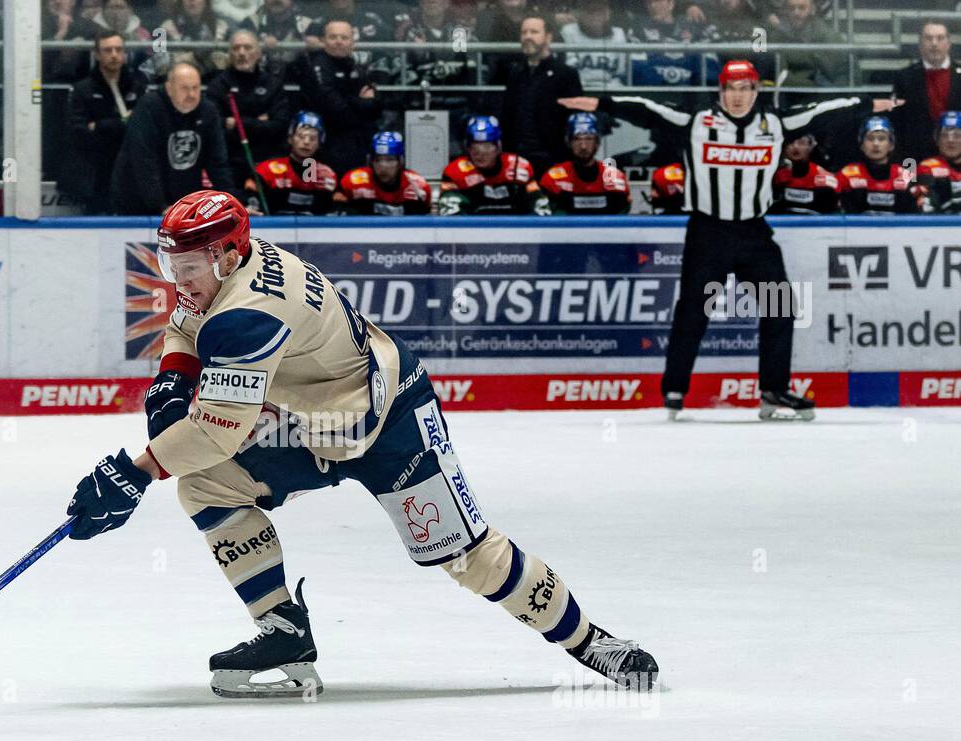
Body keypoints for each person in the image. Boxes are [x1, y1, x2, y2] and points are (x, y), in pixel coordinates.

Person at [63, 190, 660, 697]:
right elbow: (187, 327)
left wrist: (134, 472)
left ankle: (592, 642)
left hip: (391, 416)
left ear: (226, 255)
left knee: (465, 555)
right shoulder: (228, 274)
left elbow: (222, 427)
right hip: (314, 422)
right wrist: (172, 381)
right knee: (207, 482)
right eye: (172, 265)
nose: (176, 281)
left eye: (186, 267)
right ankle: (281, 627)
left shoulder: (248, 313)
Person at [561, 60, 901, 421]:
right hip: (709, 232)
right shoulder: (696, 122)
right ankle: (675, 389)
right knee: (693, 311)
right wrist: (600, 103)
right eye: (731, 89)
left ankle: (773, 390)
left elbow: (824, 112)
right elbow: (646, 107)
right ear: (720, 91)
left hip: (754, 233)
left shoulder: (775, 124)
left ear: (756, 91)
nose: (738, 97)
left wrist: (869, 103)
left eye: (745, 89)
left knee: (780, 306)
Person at [111, 63, 237, 215]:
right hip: (136, 204)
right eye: (184, 88)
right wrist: (160, 206)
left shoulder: (208, 111)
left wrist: (232, 204)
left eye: (195, 88)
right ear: (169, 89)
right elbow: (143, 160)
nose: (191, 94)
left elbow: (218, 164)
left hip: (181, 203)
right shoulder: (149, 107)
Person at [63, 29, 147, 214]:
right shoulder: (82, 89)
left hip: (129, 173)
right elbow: (79, 133)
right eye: (108, 50)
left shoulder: (138, 86)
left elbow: (142, 128)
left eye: (118, 49)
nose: (114, 55)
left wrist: (100, 125)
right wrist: (124, 122)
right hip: (95, 174)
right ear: (97, 54)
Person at [206, 29, 294, 188]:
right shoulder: (218, 85)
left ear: (259, 53)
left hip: (267, 162)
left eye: (247, 48)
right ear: (229, 53)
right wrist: (259, 122)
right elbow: (213, 125)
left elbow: (279, 126)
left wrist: (237, 122)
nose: (241, 53)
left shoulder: (272, 84)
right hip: (230, 161)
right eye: (236, 48)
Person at [498, 16, 583, 177]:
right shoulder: (515, 73)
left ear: (548, 37)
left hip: (554, 163)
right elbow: (507, 118)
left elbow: (575, 120)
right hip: (518, 162)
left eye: (534, 32)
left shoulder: (566, 74)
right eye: (524, 32)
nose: (527, 37)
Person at [299, 20, 381, 178]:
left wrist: (352, 102)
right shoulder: (318, 67)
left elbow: (377, 106)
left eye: (344, 37)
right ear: (323, 41)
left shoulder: (354, 66)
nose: (339, 41)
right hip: (323, 145)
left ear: (352, 42)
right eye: (333, 37)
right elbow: (336, 111)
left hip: (354, 144)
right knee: (321, 193)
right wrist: (360, 102)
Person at [891, 21, 961, 166]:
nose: (934, 43)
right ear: (920, 45)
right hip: (915, 157)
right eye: (928, 38)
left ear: (949, 44)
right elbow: (899, 127)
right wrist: (908, 176)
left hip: (958, 160)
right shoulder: (904, 78)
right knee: (913, 189)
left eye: (940, 38)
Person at [437, 116, 535, 215]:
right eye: (475, 147)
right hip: (472, 228)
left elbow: (539, 208)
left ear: (498, 147)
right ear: (467, 148)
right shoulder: (454, 172)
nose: (481, 153)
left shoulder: (520, 167)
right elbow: (452, 218)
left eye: (487, 147)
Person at [244, 111, 338, 214]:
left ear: (320, 142)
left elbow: (329, 213)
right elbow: (251, 203)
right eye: (301, 136)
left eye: (313, 138)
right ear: (290, 138)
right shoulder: (267, 171)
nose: (306, 142)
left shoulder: (327, 176)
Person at [539, 112, 631, 214]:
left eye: (588, 139)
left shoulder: (614, 177)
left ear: (597, 142)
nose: (583, 146)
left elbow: (620, 222)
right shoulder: (553, 178)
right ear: (568, 141)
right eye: (577, 139)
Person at [836, 117, 918, 216]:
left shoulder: (906, 176)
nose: (876, 144)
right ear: (861, 144)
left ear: (891, 145)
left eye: (882, 138)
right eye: (870, 138)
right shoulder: (846, 175)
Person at [336, 132, 433, 215]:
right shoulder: (352, 182)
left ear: (401, 162)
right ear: (370, 162)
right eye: (377, 160)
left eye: (390, 160)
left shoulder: (418, 187)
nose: (383, 166)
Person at [559, 0, 629, 91]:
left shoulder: (618, 34)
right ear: (580, 13)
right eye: (590, 11)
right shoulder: (569, 31)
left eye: (599, 10)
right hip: (579, 89)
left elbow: (620, 72)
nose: (595, 15)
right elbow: (568, 70)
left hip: (611, 88)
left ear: (608, 13)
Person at [159, 0, 233, 80]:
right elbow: (155, 65)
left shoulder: (222, 27)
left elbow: (232, 62)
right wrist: (189, 58)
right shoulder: (164, 29)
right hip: (178, 83)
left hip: (213, 84)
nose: (192, 1)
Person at [770, 131, 840, 215]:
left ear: (810, 147)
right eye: (791, 143)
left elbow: (833, 216)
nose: (795, 147)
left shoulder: (825, 179)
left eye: (801, 143)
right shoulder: (771, 176)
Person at [919, 111, 961, 214]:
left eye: (957, 135)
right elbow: (923, 206)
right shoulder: (926, 167)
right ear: (937, 139)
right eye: (945, 135)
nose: (951, 140)